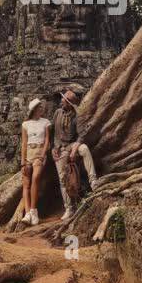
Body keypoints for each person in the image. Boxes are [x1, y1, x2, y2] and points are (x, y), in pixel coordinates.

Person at [52, 89, 98, 221]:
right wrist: (54, 148)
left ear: (69, 103)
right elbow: (53, 134)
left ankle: (93, 180)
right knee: (62, 177)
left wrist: (74, 149)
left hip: (71, 145)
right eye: (62, 99)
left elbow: (81, 135)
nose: (61, 101)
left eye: (64, 100)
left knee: (84, 149)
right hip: (60, 148)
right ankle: (69, 208)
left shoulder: (76, 116)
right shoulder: (57, 113)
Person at [21, 98, 51, 226]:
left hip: (39, 153)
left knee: (36, 177)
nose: (41, 109)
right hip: (28, 153)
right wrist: (23, 161)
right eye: (39, 107)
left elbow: (47, 141)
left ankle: (34, 210)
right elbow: (23, 143)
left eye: (41, 107)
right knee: (26, 183)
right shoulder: (25, 124)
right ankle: (27, 213)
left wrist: (42, 156)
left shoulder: (46, 122)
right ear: (34, 110)